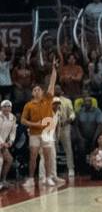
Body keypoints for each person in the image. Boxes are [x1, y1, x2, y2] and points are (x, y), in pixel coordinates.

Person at [20, 59, 60, 189]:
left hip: (46, 133)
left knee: (48, 156)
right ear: (32, 93)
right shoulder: (28, 105)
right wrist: (34, 123)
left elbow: (52, 82)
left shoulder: (48, 99)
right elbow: (22, 120)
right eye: (35, 90)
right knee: (33, 157)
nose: (37, 91)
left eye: (39, 89)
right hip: (34, 133)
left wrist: (54, 68)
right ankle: (31, 179)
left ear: (42, 92)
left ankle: (48, 178)